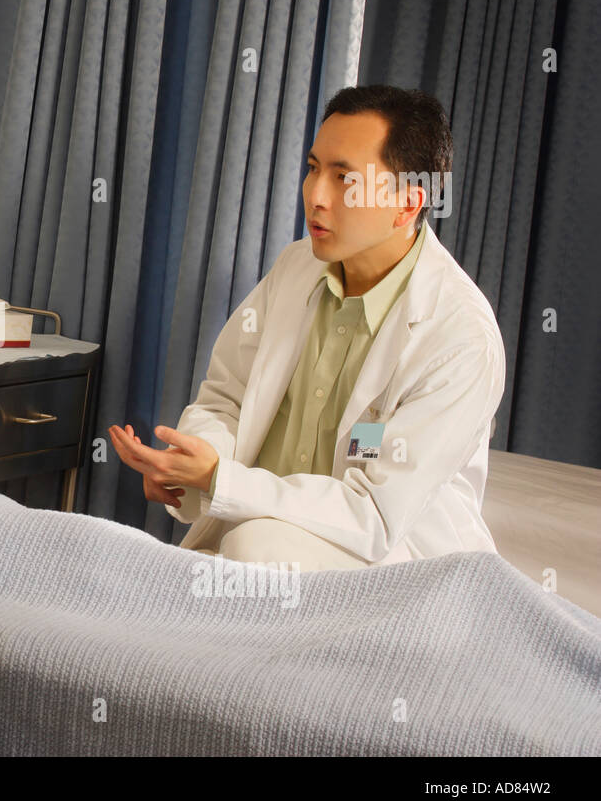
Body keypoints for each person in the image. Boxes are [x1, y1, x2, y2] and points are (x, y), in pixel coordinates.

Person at [110, 86, 506, 568]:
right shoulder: (296, 268)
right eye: (314, 168)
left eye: (345, 178)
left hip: (390, 564)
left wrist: (223, 481)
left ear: (407, 205)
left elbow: (373, 517)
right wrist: (191, 465)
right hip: (256, 546)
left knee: (255, 547)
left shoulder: (460, 338)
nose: (316, 196)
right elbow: (227, 399)